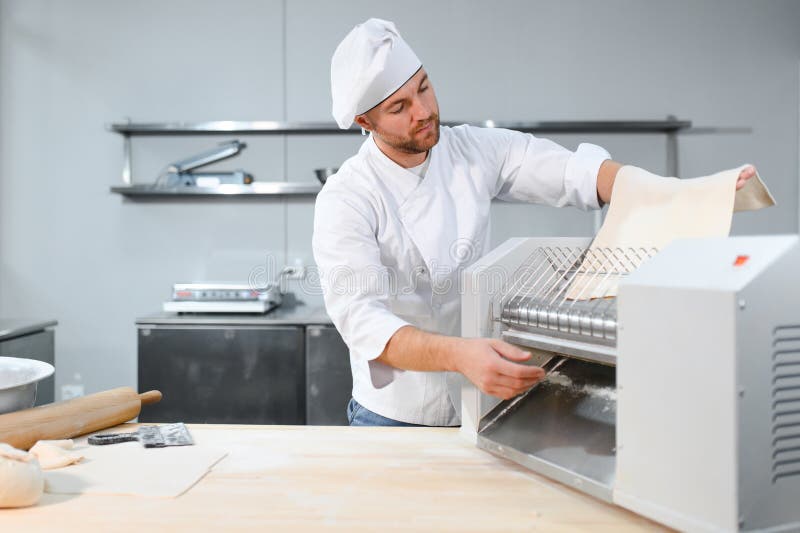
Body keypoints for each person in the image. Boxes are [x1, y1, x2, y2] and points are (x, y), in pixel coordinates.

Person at [312, 18, 756, 427]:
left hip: (477, 398)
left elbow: (572, 173)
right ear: (364, 122)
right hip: (395, 417)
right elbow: (363, 319)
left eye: (425, 88)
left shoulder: (472, 150)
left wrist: (677, 193)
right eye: (400, 107)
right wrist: (459, 354)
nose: (423, 111)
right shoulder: (347, 197)